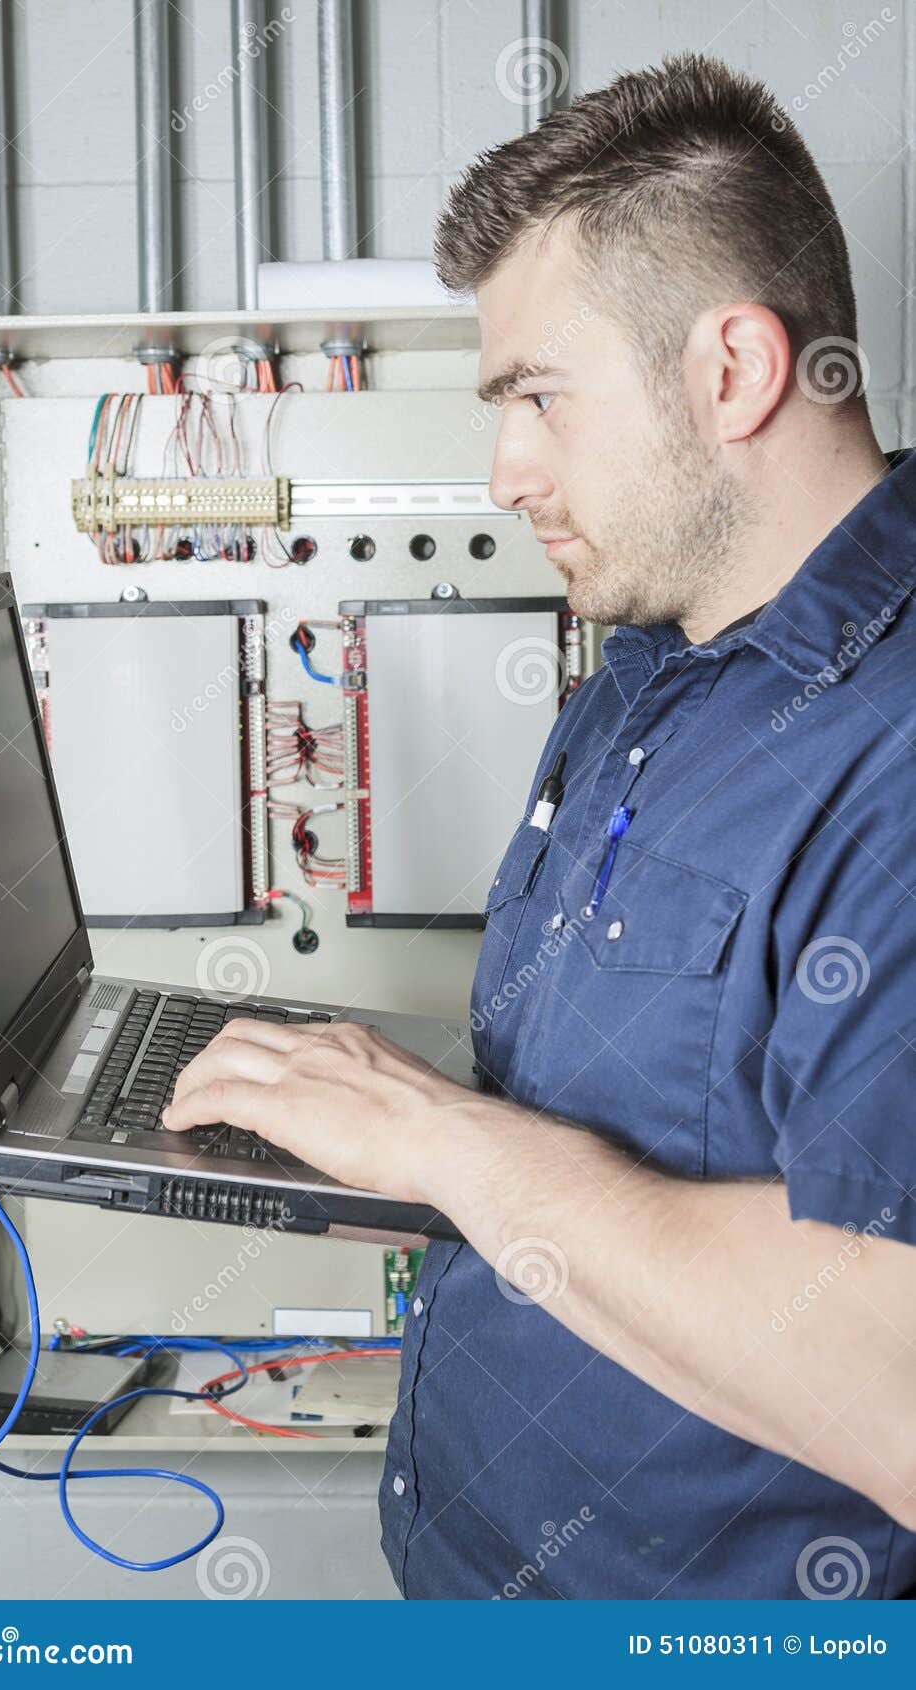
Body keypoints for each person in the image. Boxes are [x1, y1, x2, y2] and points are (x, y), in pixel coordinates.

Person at [166, 54, 916, 1599]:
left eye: (536, 398)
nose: (504, 471)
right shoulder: (652, 657)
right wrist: (357, 1103)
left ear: (732, 372)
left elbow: (894, 1376)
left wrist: (433, 1138)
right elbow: (606, 1101)